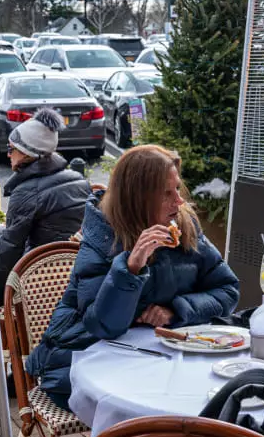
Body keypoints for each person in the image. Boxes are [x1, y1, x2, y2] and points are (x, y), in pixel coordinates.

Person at [28, 145, 239, 410]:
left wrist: (176, 309)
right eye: (166, 193)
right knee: (160, 406)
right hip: (85, 361)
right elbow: (102, 326)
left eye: (177, 189)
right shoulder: (102, 239)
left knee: (214, 394)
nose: (179, 201)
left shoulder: (184, 226)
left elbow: (228, 289)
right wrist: (131, 268)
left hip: (162, 355)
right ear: (138, 198)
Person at [0, 108, 91, 304]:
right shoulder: (79, 179)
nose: (8, 154)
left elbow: (10, 250)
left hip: (41, 280)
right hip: (80, 274)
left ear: (27, 152)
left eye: (11, 149)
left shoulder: (26, 192)